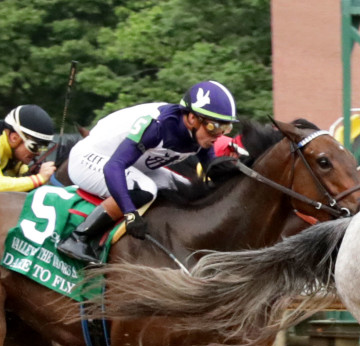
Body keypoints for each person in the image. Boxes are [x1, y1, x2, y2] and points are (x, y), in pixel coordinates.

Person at [56, 80, 238, 265]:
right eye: (214, 127)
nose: (219, 135)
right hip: (91, 159)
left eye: (225, 128)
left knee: (184, 188)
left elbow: (212, 168)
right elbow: (114, 167)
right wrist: (130, 213)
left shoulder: (200, 136)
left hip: (130, 165)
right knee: (146, 189)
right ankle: (79, 237)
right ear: (192, 118)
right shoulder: (157, 126)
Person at [0, 104, 57, 192]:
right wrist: (38, 179)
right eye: (34, 146)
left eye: (42, 147)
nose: (38, 153)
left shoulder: (12, 153)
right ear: (14, 138)